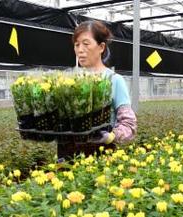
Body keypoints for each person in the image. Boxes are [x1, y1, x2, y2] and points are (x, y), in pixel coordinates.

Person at [57, 20, 137, 161]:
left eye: (86, 44)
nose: (80, 50)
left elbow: (129, 125)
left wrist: (112, 136)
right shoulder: (69, 81)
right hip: (67, 155)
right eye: (77, 45)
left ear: (101, 47)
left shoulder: (114, 80)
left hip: (100, 156)